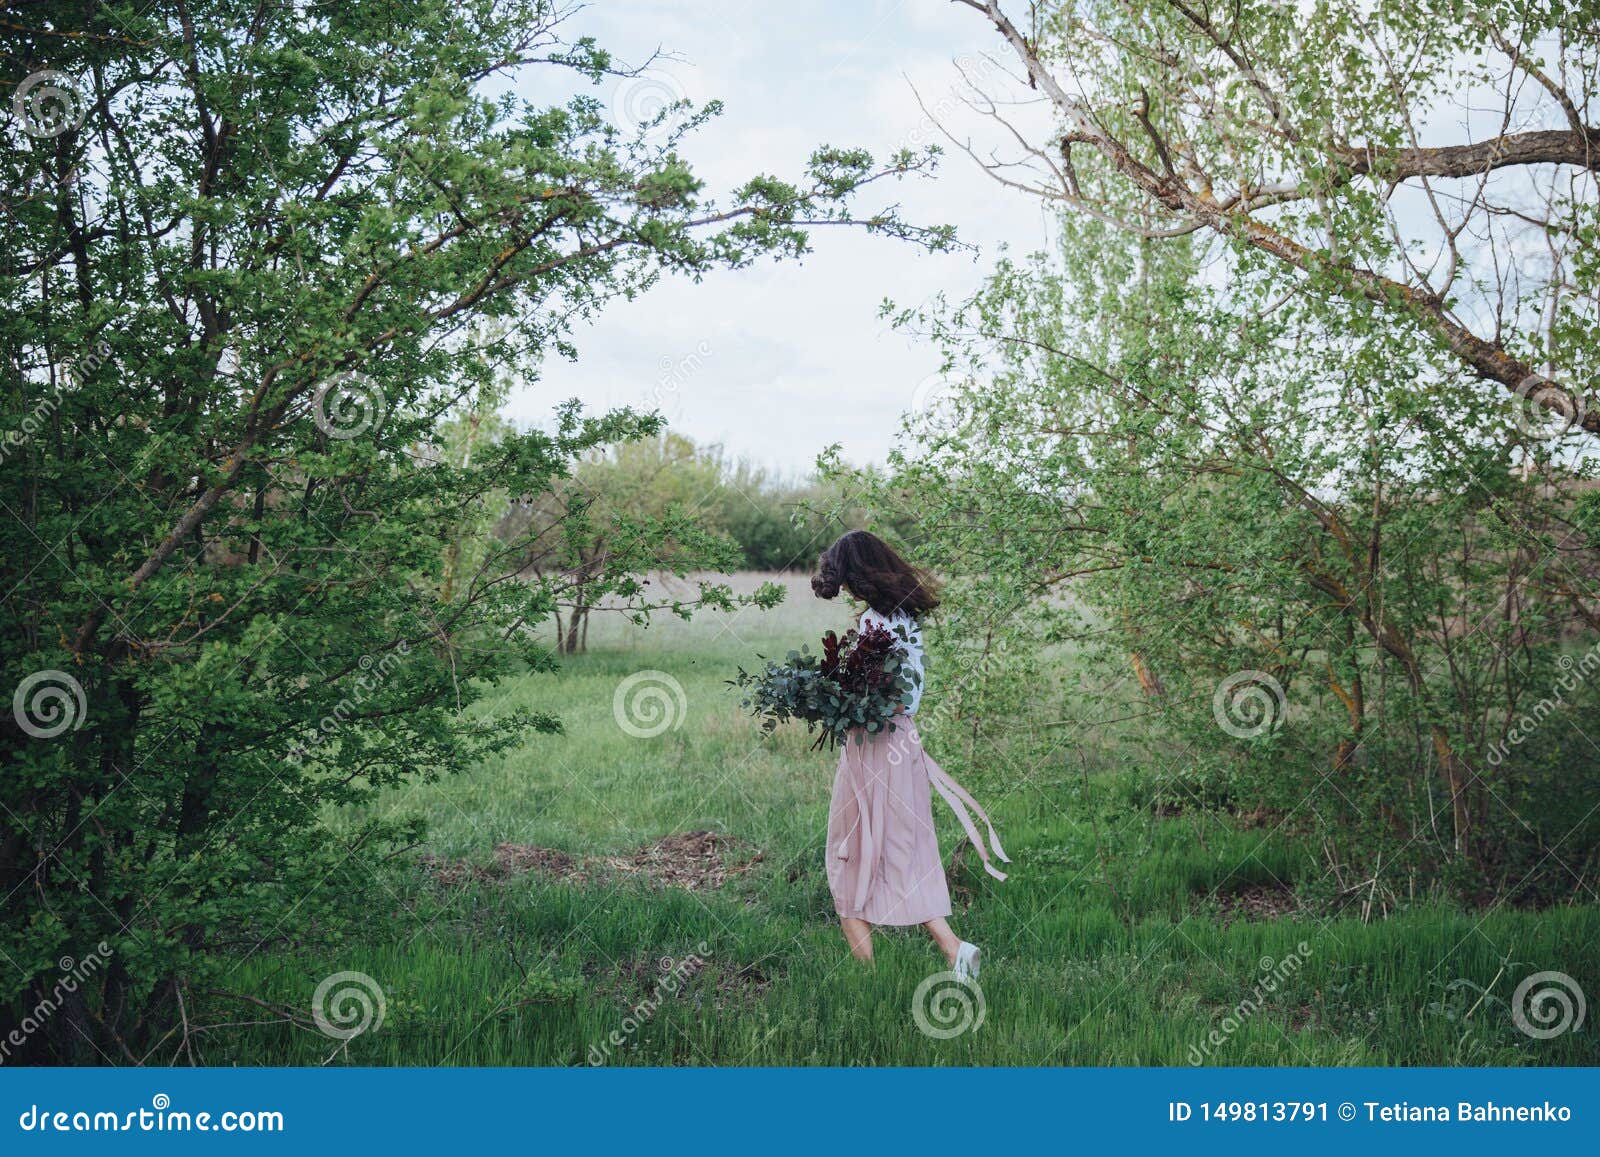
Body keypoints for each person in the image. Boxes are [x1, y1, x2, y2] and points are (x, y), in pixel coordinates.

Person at [810, 530, 1009, 979]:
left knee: (848, 853)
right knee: (900, 850)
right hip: (903, 742)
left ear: (859, 576)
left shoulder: (876, 624)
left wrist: (832, 698)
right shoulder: (904, 619)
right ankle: (955, 950)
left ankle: (870, 981)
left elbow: (884, 696)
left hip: (873, 744)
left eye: (848, 581)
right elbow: (908, 699)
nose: (848, 590)